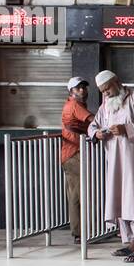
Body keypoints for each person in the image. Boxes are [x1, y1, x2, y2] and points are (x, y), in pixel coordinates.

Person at [86, 69, 134, 263]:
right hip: (115, 161)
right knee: (121, 200)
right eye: (102, 92)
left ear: (117, 82)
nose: (105, 94)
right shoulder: (106, 105)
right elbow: (92, 125)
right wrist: (96, 134)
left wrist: (127, 128)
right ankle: (131, 242)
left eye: (107, 89)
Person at [59, 76, 93, 243]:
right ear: (71, 91)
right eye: (78, 88)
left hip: (72, 153)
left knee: (75, 192)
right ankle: (80, 233)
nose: (82, 90)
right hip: (73, 153)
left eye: (84, 87)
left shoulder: (75, 105)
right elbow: (94, 121)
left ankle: (80, 231)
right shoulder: (74, 105)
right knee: (78, 193)